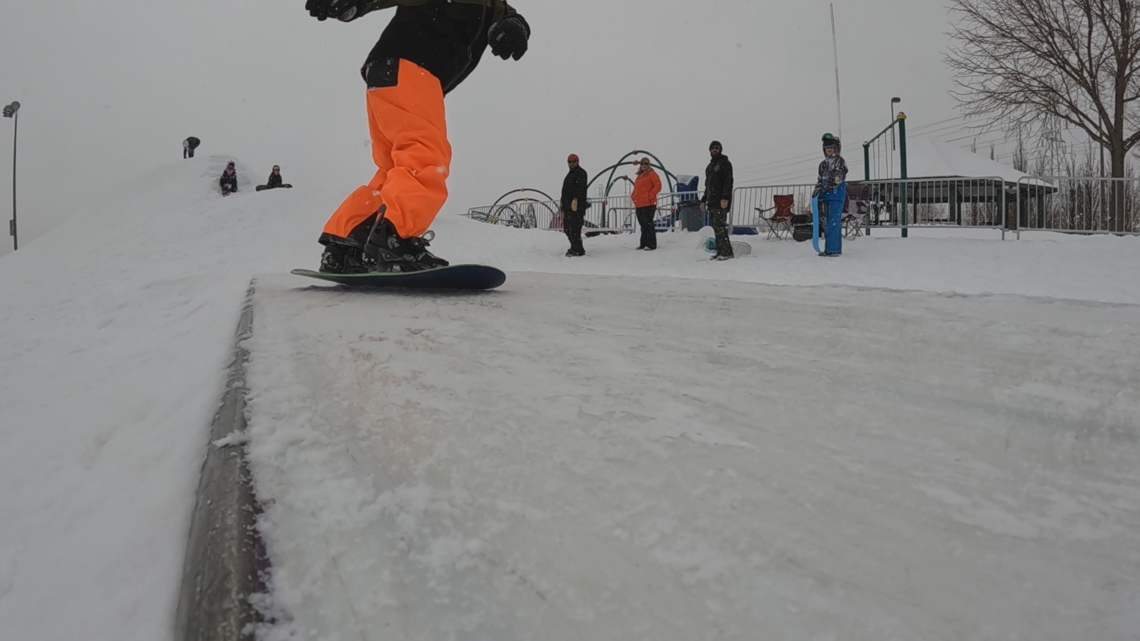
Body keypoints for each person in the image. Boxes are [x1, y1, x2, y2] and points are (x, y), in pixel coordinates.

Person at [305, 0, 531, 274]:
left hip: (390, 72)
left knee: (393, 169)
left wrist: (516, 26)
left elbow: (505, 13)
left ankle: (347, 242)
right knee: (426, 157)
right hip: (412, 66)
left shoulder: (492, 4)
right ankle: (394, 239)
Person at [700, 140, 734, 260]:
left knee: (720, 227)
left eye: (717, 148)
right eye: (712, 148)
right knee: (716, 227)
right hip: (712, 201)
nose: (714, 150)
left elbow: (728, 182)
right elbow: (707, 185)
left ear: (720, 150)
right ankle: (720, 251)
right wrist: (703, 200)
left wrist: (725, 198)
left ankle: (726, 252)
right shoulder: (710, 167)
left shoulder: (725, 164)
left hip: (720, 201)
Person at [816, 133, 848, 257]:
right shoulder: (822, 164)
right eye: (827, 148)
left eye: (832, 147)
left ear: (837, 148)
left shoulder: (839, 161)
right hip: (826, 196)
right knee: (829, 222)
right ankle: (835, 248)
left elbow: (839, 177)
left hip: (835, 195)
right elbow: (819, 180)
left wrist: (826, 185)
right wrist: (818, 191)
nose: (829, 150)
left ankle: (832, 249)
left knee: (833, 222)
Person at [631, 157, 662, 250]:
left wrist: (650, 195)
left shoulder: (652, 174)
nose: (644, 165)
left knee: (648, 224)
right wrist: (633, 196)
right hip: (639, 204)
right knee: (643, 225)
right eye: (642, 164)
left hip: (649, 204)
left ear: (649, 165)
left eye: (646, 163)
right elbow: (636, 188)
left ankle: (651, 244)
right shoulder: (639, 176)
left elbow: (658, 185)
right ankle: (643, 243)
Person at [560, 153, 588, 257]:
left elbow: (581, 189)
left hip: (576, 208)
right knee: (568, 228)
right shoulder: (570, 174)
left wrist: (576, 200)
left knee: (575, 229)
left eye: (573, 162)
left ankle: (578, 249)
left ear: (577, 162)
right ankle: (575, 247)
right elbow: (566, 190)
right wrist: (562, 203)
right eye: (569, 162)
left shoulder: (581, 173)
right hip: (567, 207)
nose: (571, 164)